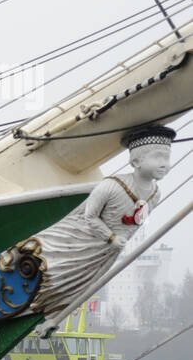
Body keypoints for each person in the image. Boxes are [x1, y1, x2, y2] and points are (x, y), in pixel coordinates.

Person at [27, 125, 175, 315]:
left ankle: (50, 312)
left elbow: (135, 224)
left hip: (105, 253)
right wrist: (111, 237)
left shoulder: (155, 194)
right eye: (157, 157)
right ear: (136, 161)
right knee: (52, 275)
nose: (164, 164)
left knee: (77, 286)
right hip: (78, 241)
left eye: (167, 158)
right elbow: (89, 216)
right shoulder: (112, 186)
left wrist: (117, 243)